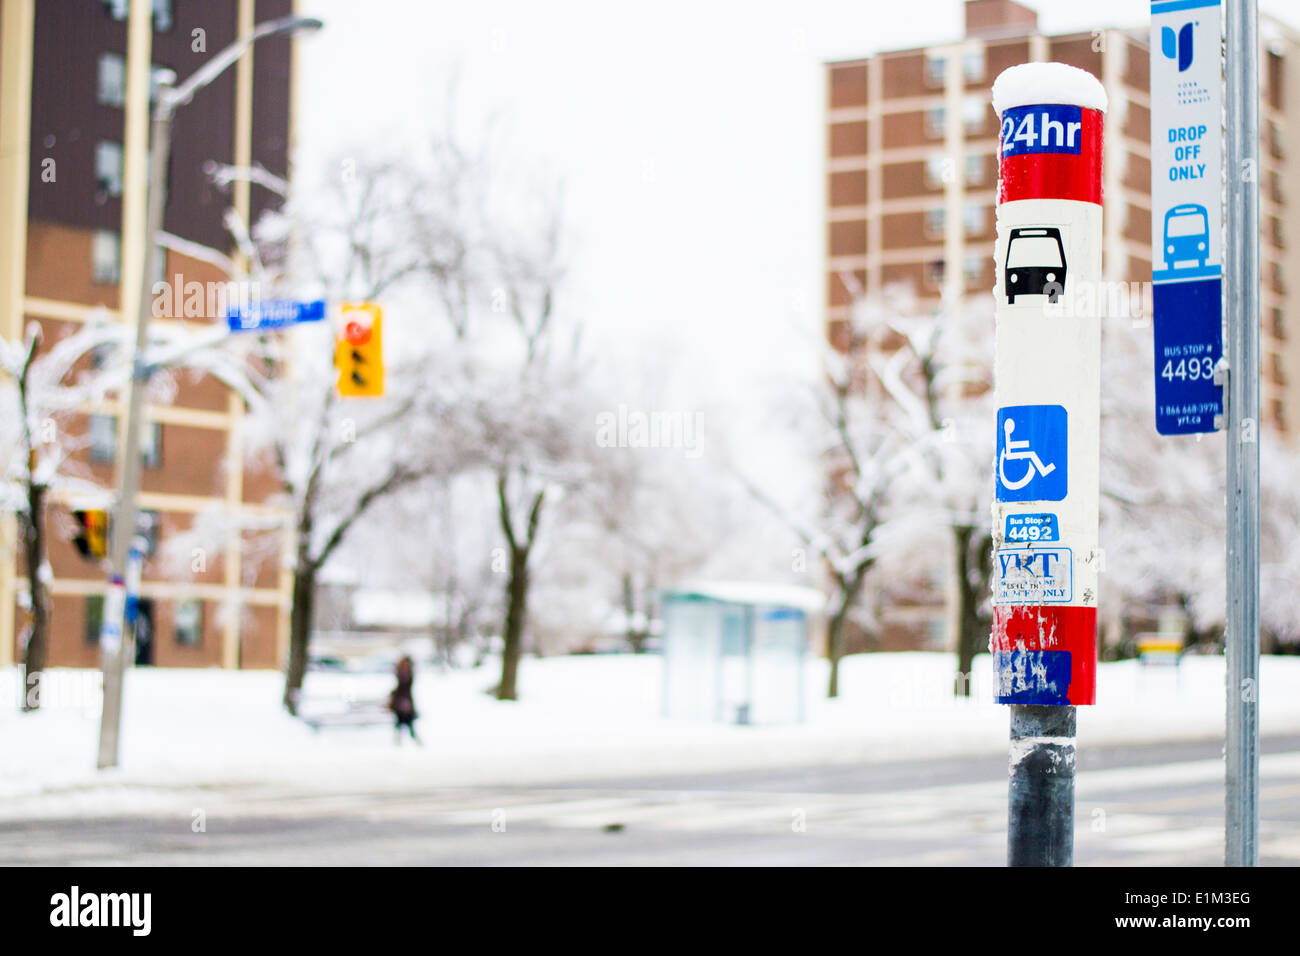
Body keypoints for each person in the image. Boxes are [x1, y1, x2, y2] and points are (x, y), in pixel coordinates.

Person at [388, 655, 420, 745]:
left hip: (406, 701)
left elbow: (405, 688)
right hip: (400, 702)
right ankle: (399, 741)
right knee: (400, 722)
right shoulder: (401, 674)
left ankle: (413, 740)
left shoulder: (408, 675)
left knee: (408, 723)